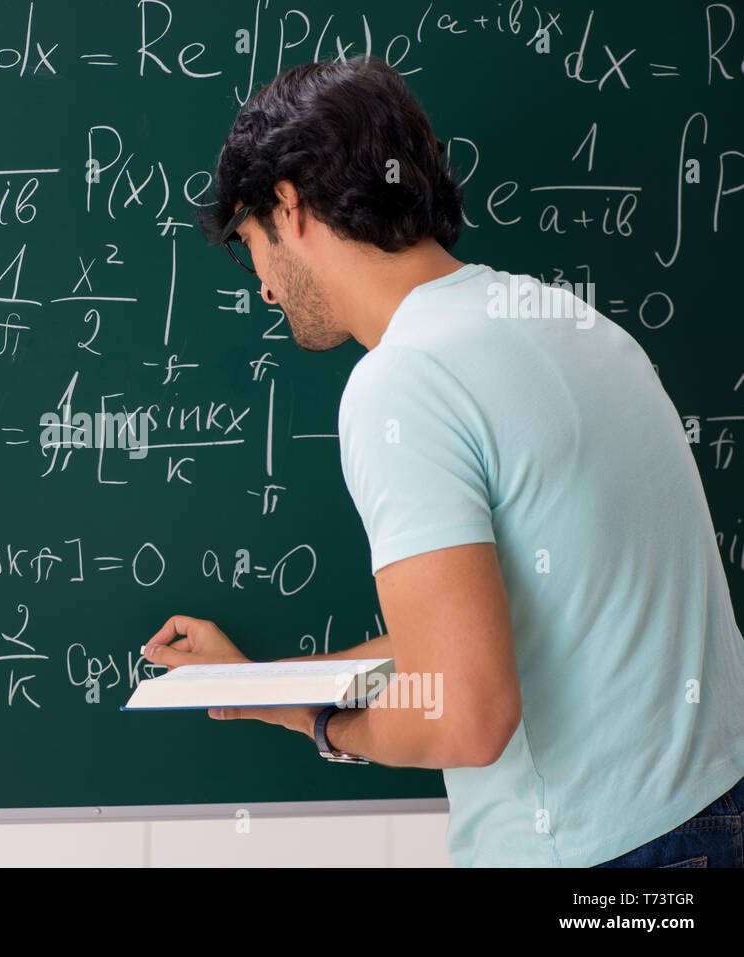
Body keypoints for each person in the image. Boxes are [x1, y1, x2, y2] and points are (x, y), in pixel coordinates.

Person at [143, 55, 744, 867]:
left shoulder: (404, 381)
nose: (264, 289)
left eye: (250, 245)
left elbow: (464, 713)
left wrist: (329, 728)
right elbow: (467, 639)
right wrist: (263, 688)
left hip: (597, 852)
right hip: (712, 808)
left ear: (289, 205)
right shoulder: (568, 322)